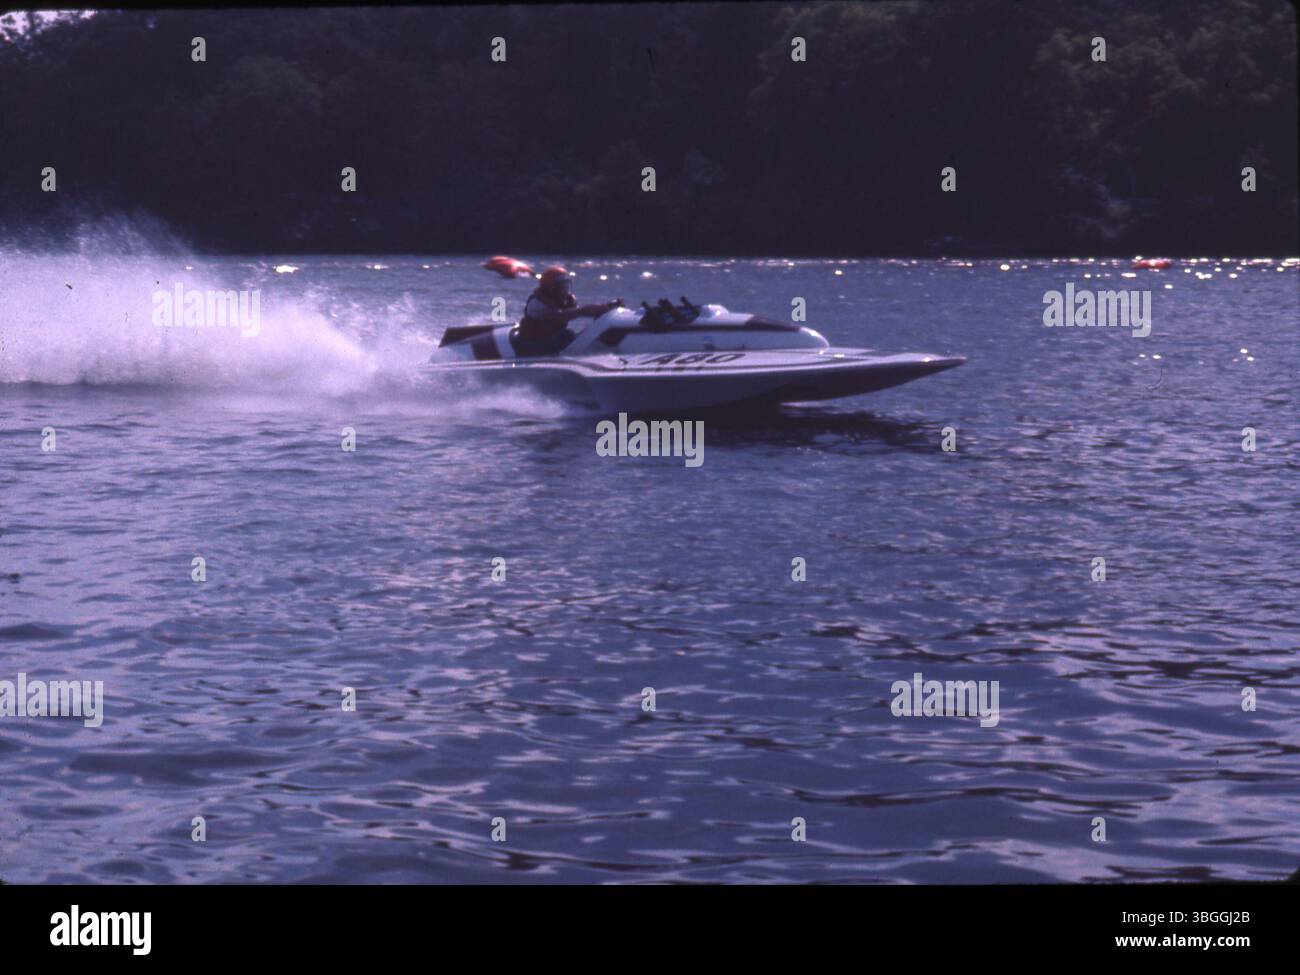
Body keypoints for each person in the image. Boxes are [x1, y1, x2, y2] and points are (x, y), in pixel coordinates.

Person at [516, 266, 621, 346]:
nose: (565, 289)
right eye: (562, 286)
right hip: (532, 343)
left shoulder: (565, 300)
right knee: (567, 335)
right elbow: (563, 315)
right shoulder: (536, 303)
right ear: (552, 288)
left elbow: (581, 312)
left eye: (566, 285)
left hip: (550, 338)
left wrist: (606, 308)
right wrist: (586, 310)